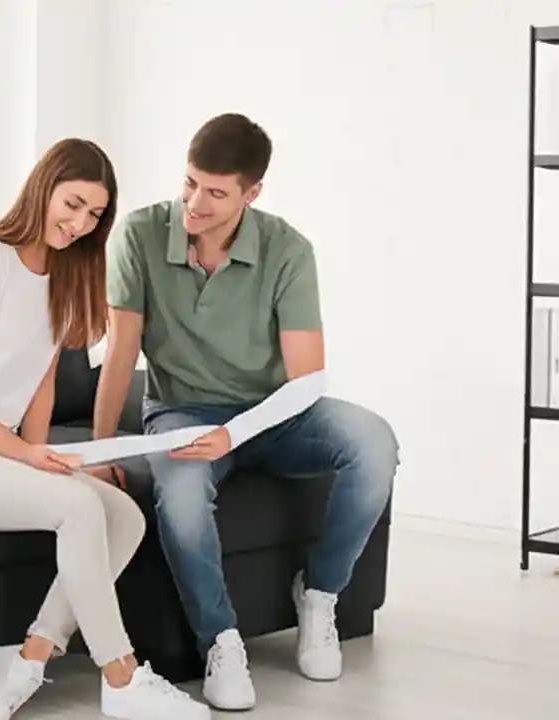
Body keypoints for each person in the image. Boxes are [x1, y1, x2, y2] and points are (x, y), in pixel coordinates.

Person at [0, 138, 210, 720]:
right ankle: (121, 677)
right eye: (73, 204)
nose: (80, 223)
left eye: (94, 215)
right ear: (44, 187)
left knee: (124, 515)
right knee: (79, 508)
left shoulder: (65, 273)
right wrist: (22, 454)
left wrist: (39, 454)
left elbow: (41, 379)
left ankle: (29, 656)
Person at [91, 113, 400, 711]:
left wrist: (235, 433)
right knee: (182, 496)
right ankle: (220, 642)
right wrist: (105, 452)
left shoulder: (288, 251)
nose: (194, 203)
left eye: (215, 192)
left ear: (251, 193)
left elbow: (307, 379)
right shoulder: (140, 236)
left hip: (277, 413)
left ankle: (320, 595)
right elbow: (121, 353)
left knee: (374, 443)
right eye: (189, 183)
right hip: (182, 414)